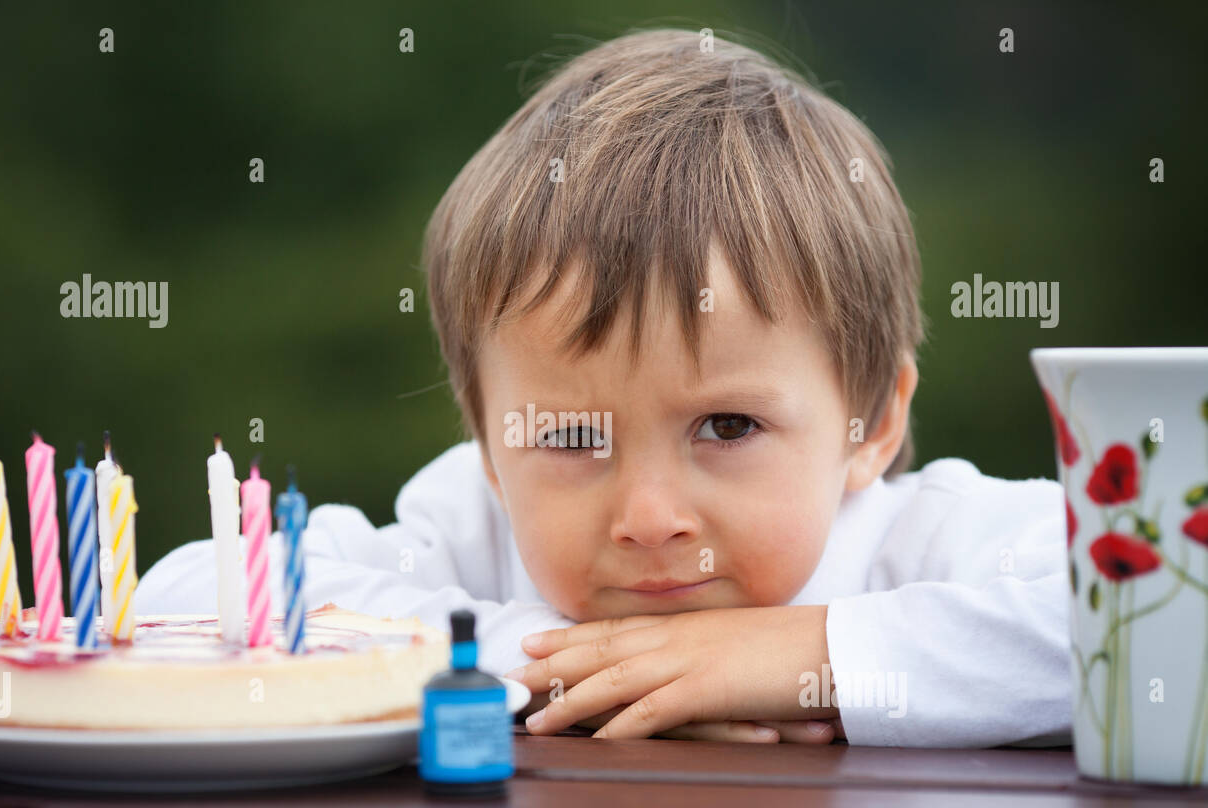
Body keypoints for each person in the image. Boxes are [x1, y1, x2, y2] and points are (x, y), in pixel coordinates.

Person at [137, 29, 1070, 749]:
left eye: (728, 424)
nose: (651, 515)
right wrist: (556, 670)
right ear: (490, 451)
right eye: (572, 435)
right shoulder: (467, 534)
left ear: (873, 425)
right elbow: (180, 599)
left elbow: (1166, 620)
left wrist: (809, 658)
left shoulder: (925, 540)